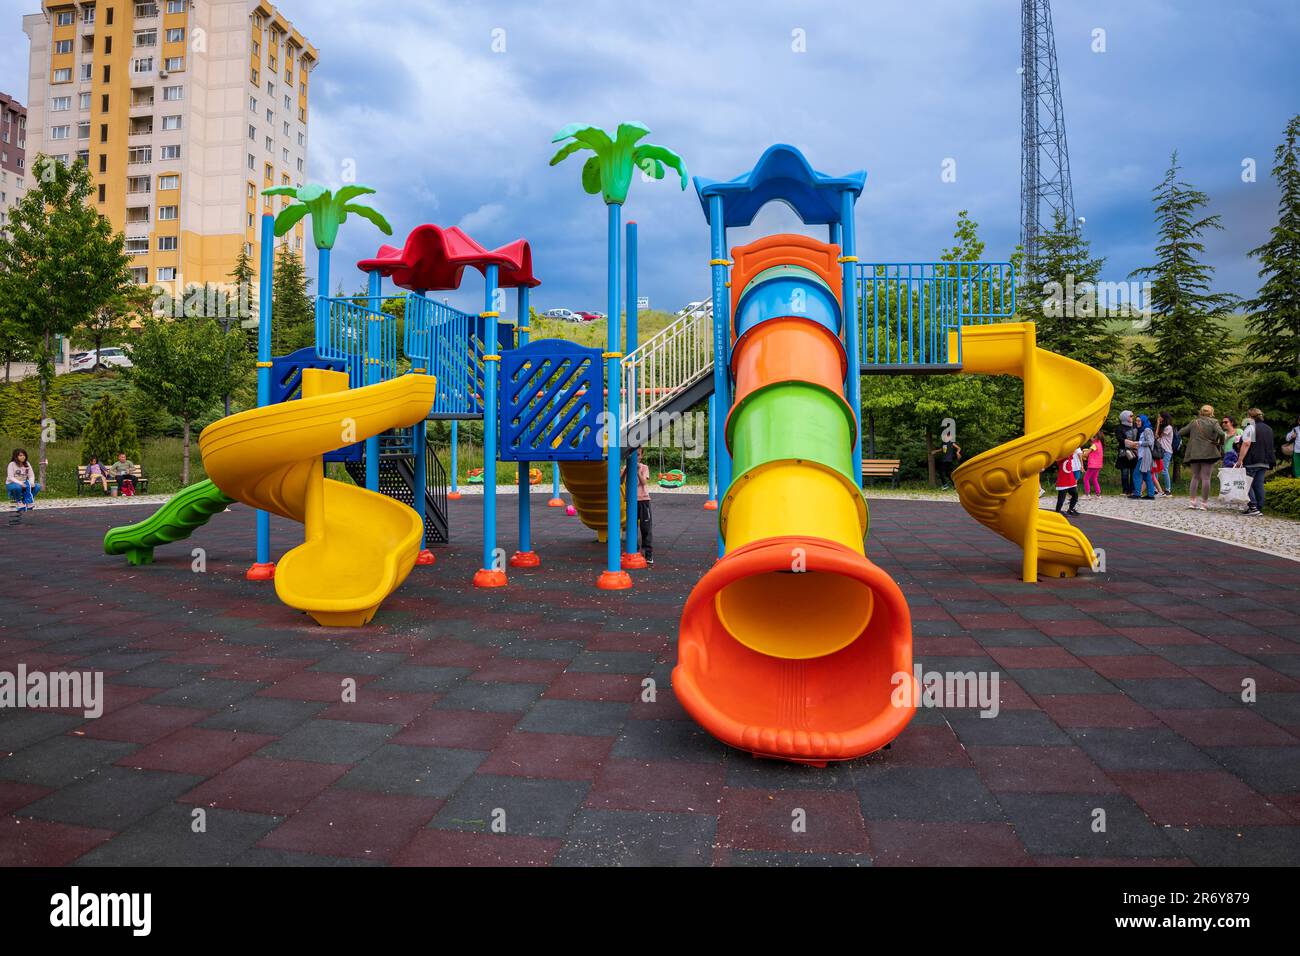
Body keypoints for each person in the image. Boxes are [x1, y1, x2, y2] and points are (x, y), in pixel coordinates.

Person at [1179, 404, 1224, 511]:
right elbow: (1222, 433)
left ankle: (1192, 502)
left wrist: (1192, 437)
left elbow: (1181, 432)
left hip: (1194, 453)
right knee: (1206, 478)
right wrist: (1219, 443)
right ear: (1211, 413)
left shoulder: (1194, 422)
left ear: (1201, 412)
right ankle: (1204, 504)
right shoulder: (1214, 422)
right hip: (1209, 452)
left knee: (1195, 476)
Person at [1237, 408, 1275, 517]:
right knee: (1258, 484)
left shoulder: (1251, 427)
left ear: (1250, 417)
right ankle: (1259, 507)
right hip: (1265, 460)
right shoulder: (1268, 429)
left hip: (1252, 460)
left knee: (1246, 484)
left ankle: (1253, 507)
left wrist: (1240, 459)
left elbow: (1246, 443)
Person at [1126, 414, 1158, 500]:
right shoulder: (1143, 430)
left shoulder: (1147, 430)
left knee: (1136, 474)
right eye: (1136, 421)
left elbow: (1150, 442)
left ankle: (1137, 493)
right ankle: (1151, 494)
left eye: (1139, 421)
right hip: (1143, 454)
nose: (1137, 422)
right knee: (1146, 475)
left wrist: (1138, 443)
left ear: (1143, 421)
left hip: (1145, 456)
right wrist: (1137, 446)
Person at [1115, 411, 1137, 496]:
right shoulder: (1119, 427)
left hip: (1134, 451)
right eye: (1130, 416)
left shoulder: (1135, 425)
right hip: (1124, 452)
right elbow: (1119, 438)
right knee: (1124, 472)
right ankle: (1125, 490)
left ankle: (1132, 490)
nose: (1132, 417)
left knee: (1133, 471)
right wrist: (1127, 442)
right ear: (1125, 417)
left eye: (1132, 416)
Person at [1155, 412, 1175, 496]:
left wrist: (1158, 424)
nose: (1159, 418)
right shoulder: (1162, 427)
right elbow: (1156, 436)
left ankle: (1168, 490)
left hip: (1166, 451)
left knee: (1164, 470)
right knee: (1155, 469)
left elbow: (1158, 436)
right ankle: (1155, 489)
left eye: (1160, 417)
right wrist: (1158, 425)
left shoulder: (1169, 427)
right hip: (1159, 451)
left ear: (1164, 418)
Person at [1082, 433, 1104, 497]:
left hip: (1092, 465)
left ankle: (1087, 494)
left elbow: (1086, 454)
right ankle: (1098, 494)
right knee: (1094, 478)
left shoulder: (1094, 445)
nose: (1091, 438)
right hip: (1098, 465)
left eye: (1092, 437)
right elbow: (1094, 452)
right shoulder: (1099, 443)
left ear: (1096, 438)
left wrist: (1081, 454)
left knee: (1086, 478)